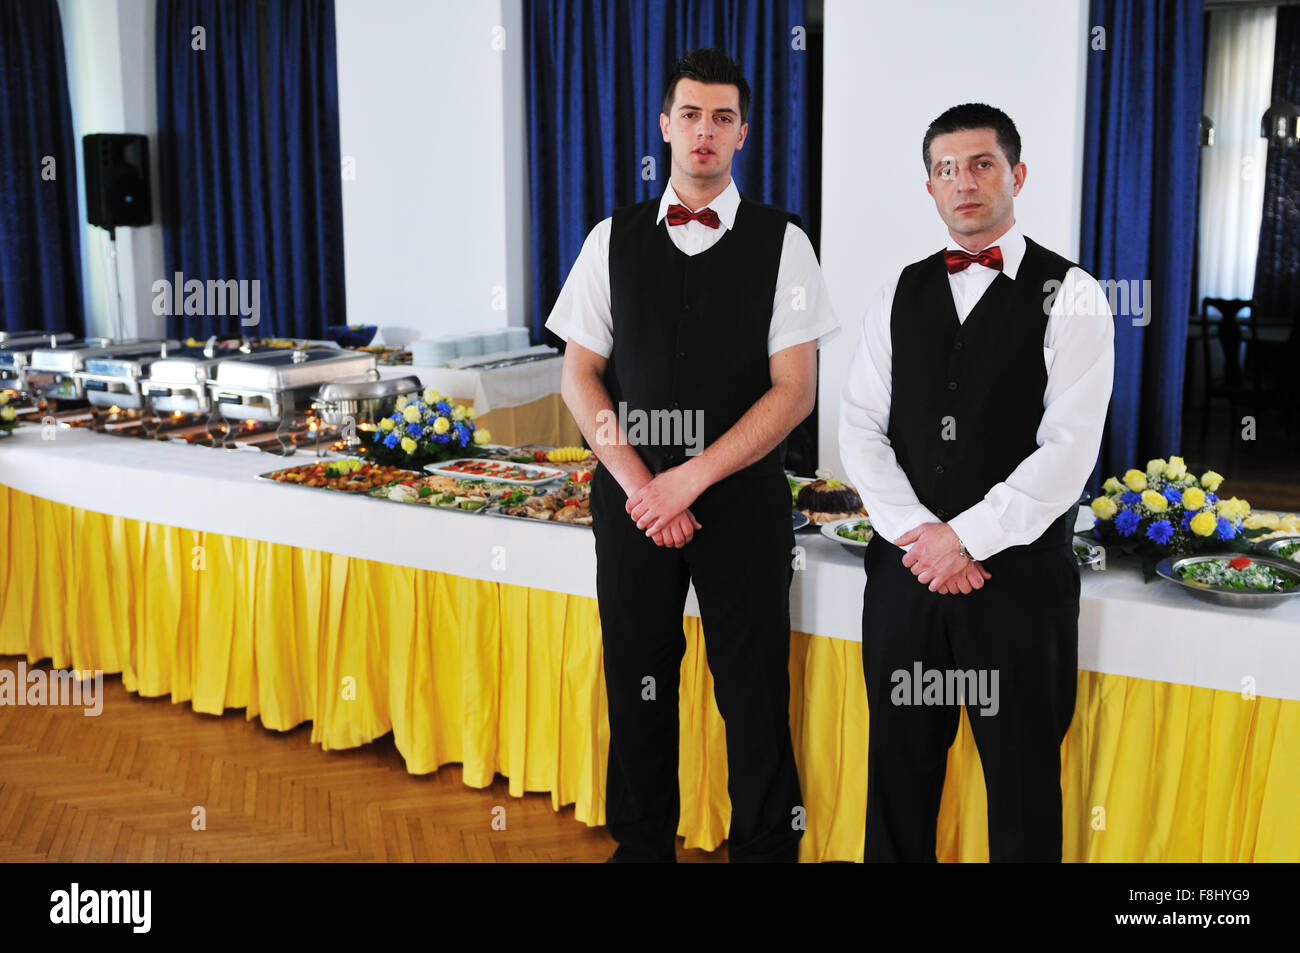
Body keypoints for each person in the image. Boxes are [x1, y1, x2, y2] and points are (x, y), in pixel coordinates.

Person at [547, 48, 838, 862]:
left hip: (740, 503)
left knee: (752, 694)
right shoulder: (612, 237)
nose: (703, 132)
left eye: (721, 117)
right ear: (664, 125)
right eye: (690, 115)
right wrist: (643, 483)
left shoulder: (786, 243)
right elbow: (578, 373)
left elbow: (794, 391)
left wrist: (691, 478)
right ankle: (641, 849)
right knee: (638, 681)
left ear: (743, 132)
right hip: (632, 499)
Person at [838, 103, 1114, 862]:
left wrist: (966, 537)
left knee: (1023, 789)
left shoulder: (1075, 294)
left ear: (1016, 175)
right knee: (897, 775)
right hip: (905, 580)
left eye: (981, 164)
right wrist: (922, 538)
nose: (963, 182)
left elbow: (1068, 450)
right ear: (929, 187)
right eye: (945, 169)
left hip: (1018, 588)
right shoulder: (900, 290)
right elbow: (859, 424)